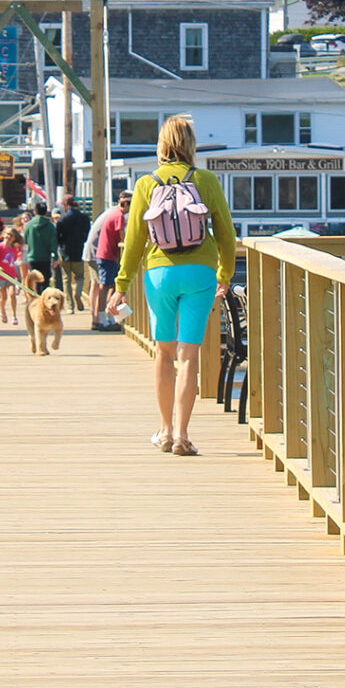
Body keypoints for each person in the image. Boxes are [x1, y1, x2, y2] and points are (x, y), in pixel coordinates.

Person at [114, 116, 237, 457]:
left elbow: (135, 239)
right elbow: (226, 233)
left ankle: (165, 432)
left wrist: (121, 285)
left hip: (159, 274)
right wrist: (225, 275)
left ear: (162, 144)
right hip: (200, 273)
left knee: (164, 352)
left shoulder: (146, 184)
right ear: (190, 143)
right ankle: (184, 435)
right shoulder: (206, 180)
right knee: (189, 355)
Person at [87, 190, 131, 329]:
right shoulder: (118, 215)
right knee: (104, 287)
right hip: (107, 255)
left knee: (110, 286)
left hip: (106, 254)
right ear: (126, 204)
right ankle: (101, 320)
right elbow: (122, 235)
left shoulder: (113, 214)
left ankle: (110, 318)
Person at [55, 196, 91, 312]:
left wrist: (61, 245)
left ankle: (70, 306)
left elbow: (57, 236)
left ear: (65, 204)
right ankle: (78, 293)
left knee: (66, 279)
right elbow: (87, 234)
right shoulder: (84, 217)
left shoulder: (62, 219)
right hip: (79, 251)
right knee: (80, 277)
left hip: (65, 251)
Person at [0, 225, 26, 326]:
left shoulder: (14, 249)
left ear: (14, 238)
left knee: (12, 294)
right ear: (3, 235)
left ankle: (14, 315)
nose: (9, 236)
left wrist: (17, 272)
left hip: (11, 276)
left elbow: (13, 262)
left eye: (11, 235)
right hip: (1, 276)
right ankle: (2, 311)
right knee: (4, 297)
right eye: (7, 234)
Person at [24, 201, 57, 299]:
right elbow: (53, 242)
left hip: (32, 256)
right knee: (45, 280)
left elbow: (25, 240)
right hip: (45, 257)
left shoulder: (28, 225)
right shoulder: (50, 226)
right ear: (46, 212)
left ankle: (38, 299)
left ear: (34, 212)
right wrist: (55, 256)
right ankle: (45, 299)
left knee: (35, 280)